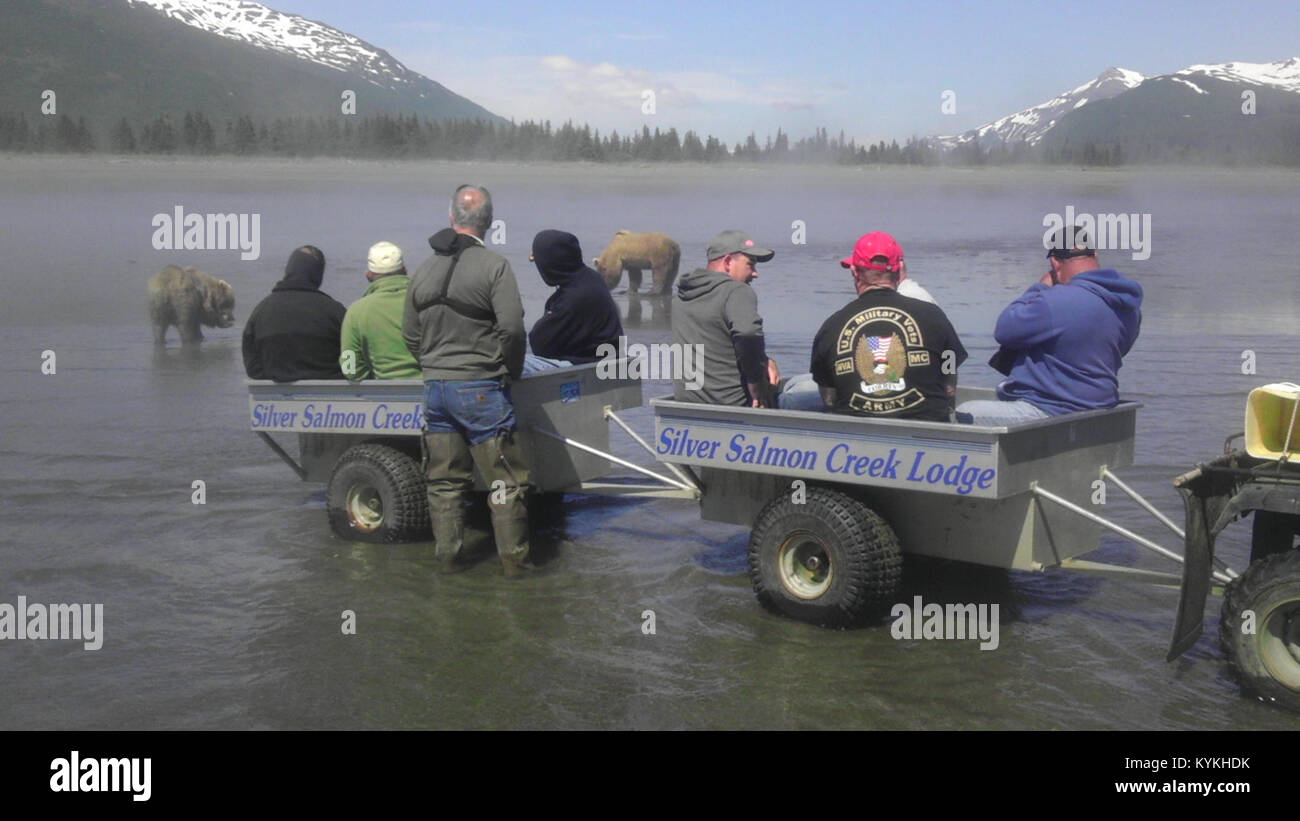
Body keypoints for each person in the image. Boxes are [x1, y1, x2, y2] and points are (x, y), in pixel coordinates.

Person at [402, 184, 533, 576]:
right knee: (505, 484)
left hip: (436, 390)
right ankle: (515, 570)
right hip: (480, 388)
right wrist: (509, 369)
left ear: (451, 217)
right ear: (490, 222)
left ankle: (449, 564)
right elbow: (512, 329)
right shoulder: (494, 266)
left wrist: (433, 365)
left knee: (443, 482)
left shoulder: (423, 269)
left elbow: (410, 334)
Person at [957, 226, 1142, 426]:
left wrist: (1039, 288)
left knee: (964, 411)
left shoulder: (1053, 300)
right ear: (1095, 255)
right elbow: (1116, 350)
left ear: (1055, 261)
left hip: (1051, 409)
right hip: (1101, 405)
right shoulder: (1127, 306)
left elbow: (1005, 330)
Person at [810, 232, 967, 421]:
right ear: (899, 269)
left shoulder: (831, 327)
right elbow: (949, 383)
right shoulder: (934, 316)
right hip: (928, 437)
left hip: (856, 442)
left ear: (854, 271)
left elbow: (829, 399)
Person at [672, 229, 779, 407]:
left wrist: (763, 359)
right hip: (735, 405)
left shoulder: (682, 297)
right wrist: (756, 379)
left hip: (687, 404)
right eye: (750, 264)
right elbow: (748, 333)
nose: (755, 273)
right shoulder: (737, 291)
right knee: (804, 390)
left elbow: (717, 342)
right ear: (728, 261)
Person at [242, 245, 346, 382]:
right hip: (332, 397)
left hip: (271, 399)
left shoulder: (261, 312)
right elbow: (351, 356)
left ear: (288, 270)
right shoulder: (335, 312)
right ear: (318, 274)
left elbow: (252, 366)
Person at [526, 229, 623, 366]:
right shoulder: (592, 278)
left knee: (513, 364)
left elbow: (539, 343)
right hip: (606, 358)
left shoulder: (573, 298)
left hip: (586, 364)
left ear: (551, 264)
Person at [338, 241, 421, 380]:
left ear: (368, 275)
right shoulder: (425, 300)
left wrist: (369, 381)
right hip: (429, 388)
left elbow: (349, 367)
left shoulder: (356, 311)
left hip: (383, 393)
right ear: (405, 270)